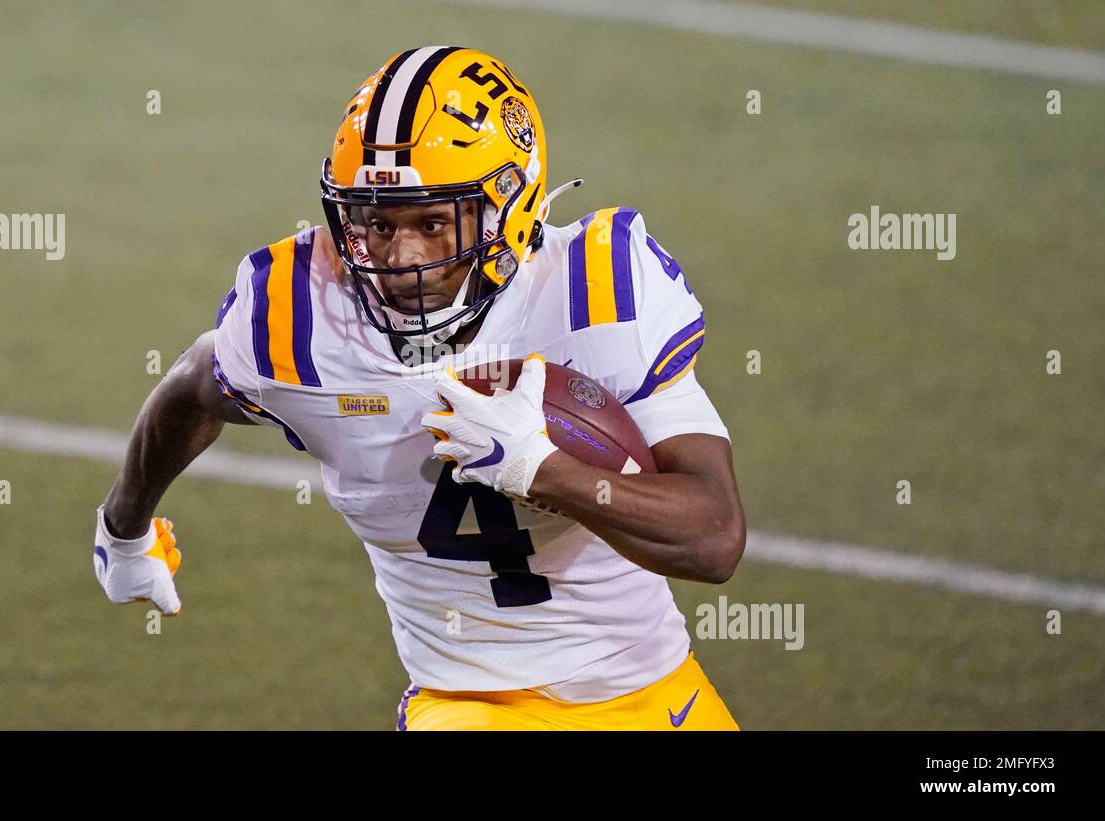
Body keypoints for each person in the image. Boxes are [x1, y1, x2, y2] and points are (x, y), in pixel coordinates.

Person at [93, 46, 746, 730]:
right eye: (379, 222)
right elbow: (193, 387)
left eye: (432, 223)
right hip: (466, 705)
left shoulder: (595, 296)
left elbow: (714, 536)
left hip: (654, 692)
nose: (400, 257)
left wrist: (542, 470)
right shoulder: (302, 321)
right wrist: (124, 528)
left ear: (508, 210)